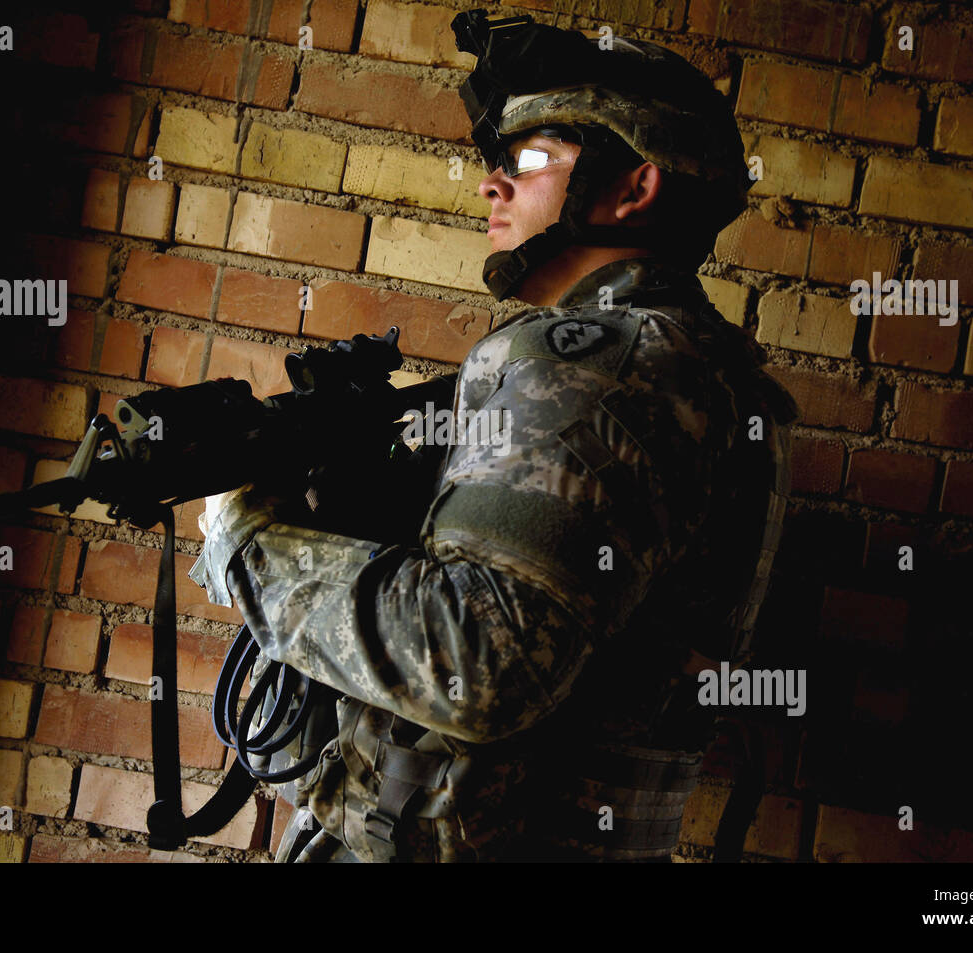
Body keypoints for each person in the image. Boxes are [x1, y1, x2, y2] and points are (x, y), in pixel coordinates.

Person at [188, 11, 798, 862]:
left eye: (531, 159)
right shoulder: (708, 375)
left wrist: (249, 541)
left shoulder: (597, 363)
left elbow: (476, 662)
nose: (492, 183)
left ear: (634, 188)